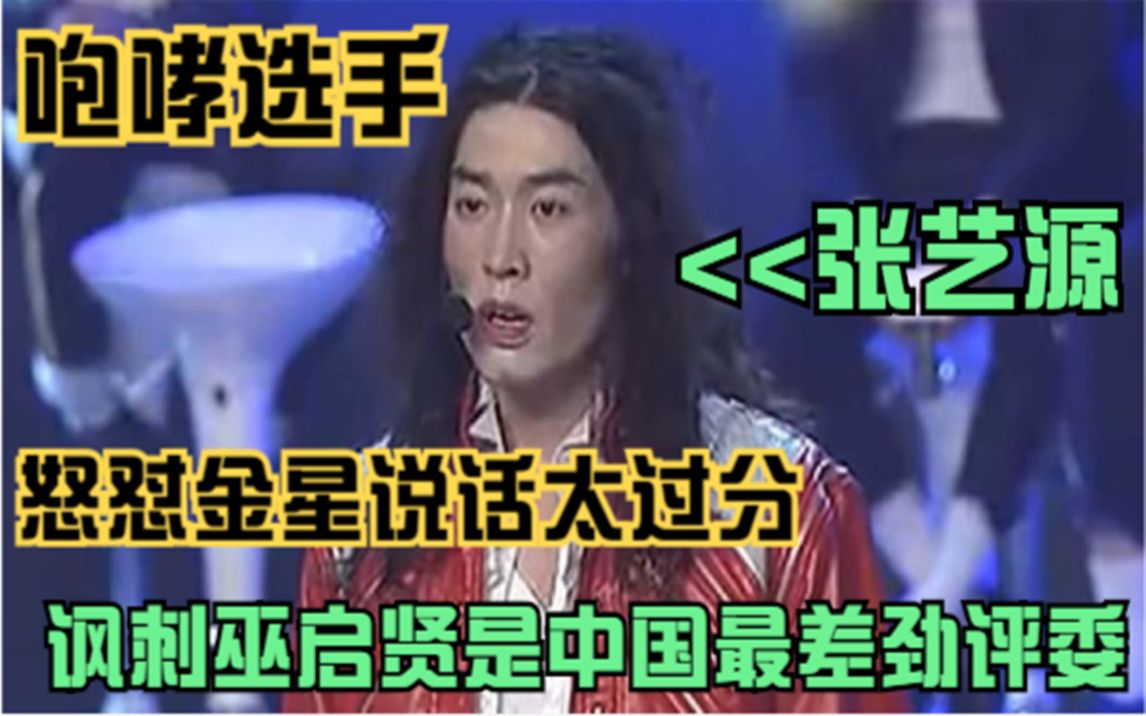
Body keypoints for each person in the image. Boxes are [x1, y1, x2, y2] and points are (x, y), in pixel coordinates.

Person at [286, 28, 903, 714]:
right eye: (472, 206)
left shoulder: (784, 511)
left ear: (631, 242)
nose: (501, 256)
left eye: (548, 208)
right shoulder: (358, 528)